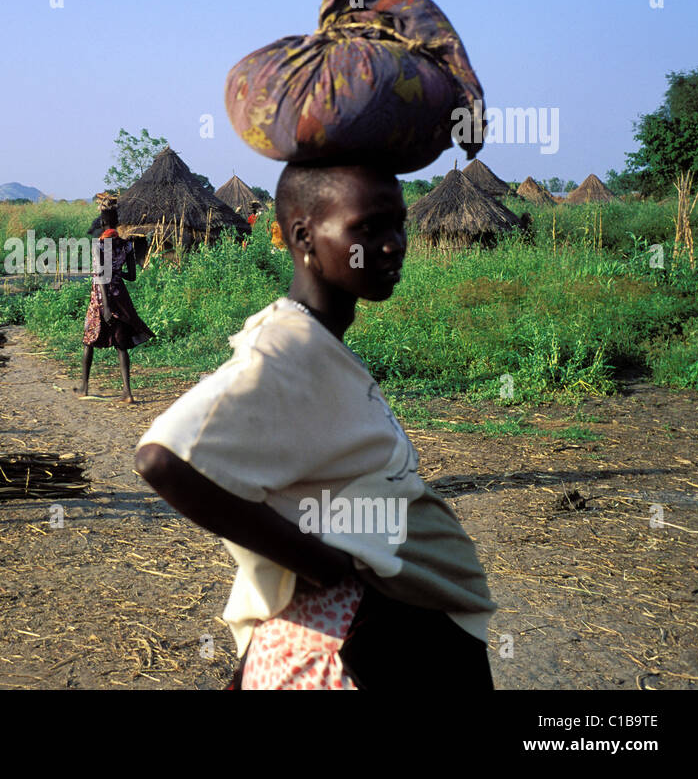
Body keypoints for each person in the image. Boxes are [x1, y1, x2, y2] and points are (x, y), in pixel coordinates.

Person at [134, 164, 497, 689]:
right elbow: (162, 458)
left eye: (397, 226)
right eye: (368, 229)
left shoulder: (320, 343)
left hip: (406, 611)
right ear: (304, 235)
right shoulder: (286, 345)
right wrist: (322, 565)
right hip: (363, 629)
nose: (394, 245)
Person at [75, 197, 154, 404]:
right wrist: (117, 273)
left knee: (88, 341)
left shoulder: (99, 245)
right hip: (120, 295)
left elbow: (100, 276)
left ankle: (84, 387)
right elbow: (133, 275)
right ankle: (127, 392)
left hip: (101, 298)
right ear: (117, 222)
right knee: (121, 345)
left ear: (102, 223)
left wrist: (106, 307)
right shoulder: (126, 245)